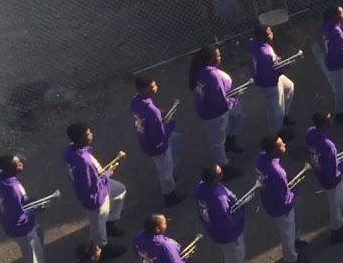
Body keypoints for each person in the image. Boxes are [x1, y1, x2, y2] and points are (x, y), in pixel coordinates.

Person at [63, 123, 127, 258]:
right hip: (95, 197)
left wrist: (103, 175)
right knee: (97, 228)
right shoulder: (83, 161)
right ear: (80, 140)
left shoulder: (71, 150)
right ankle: (102, 250)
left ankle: (110, 222)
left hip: (99, 185)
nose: (91, 134)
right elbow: (91, 186)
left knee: (120, 191)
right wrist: (107, 174)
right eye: (88, 134)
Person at [188, 45, 244, 180]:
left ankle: (231, 141)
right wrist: (233, 99)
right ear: (210, 59)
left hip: (210, 107)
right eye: (218, 55)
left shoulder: (200, 71)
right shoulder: (213, 77)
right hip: (215, 114)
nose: (220, 57)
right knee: (217, 142)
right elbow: (221, 103)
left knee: (238, 114)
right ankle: (224, 168)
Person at [130, 75, 184, 207]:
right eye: (152, 87)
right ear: (143, 90)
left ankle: (171, 171)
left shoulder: (136, 101)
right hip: (158, 146)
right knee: (165, 173)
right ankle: (170, 196)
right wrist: (170, 123)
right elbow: (160, 136)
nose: (156, 88)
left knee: (176, 140)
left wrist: (160, 113)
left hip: (145, 140)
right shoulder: (151, 111)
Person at [305, 113, 343, 243]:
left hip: (324, 170)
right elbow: (332, 172)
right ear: (323, 124)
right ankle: (337, 232)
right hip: (331, 180)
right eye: (328, 120)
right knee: (335, 205)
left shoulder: (310, 132)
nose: (331, 121)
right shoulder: (328, 146)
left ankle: (341, 209)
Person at [256, 136, 306, 262]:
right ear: (273, 151)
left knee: (299, 207)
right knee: (287, 233)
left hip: (270, 197)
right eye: (280, 145)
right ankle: (291, 258)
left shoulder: (261, 157)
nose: (284, 144)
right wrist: (296, 187)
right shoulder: (277, 172)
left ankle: (296, 238)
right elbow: (285, 199)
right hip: (280, 208)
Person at [0, 154, 45, 263]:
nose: (21, 163)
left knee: (37, 242)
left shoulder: (0, 179)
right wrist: (35, 210)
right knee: (34, 257)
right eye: (18, 164)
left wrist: (27, 202)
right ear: (11, 169)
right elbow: (19, 219)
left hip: (12, 222)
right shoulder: (14, 190)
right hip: (23, 229)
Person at [249, 25, 296, 139]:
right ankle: (276, 134)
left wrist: (277, 61)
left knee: (289, 87)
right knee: (276, 108)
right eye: (268, 32)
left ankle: (282, 117)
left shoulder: (254, 43)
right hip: (269, 83)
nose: (272, 34)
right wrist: (286, 65)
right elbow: (272, 72)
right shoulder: (265, 55)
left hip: (266, 77)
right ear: (261, 37)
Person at [192, 165, 246, 263]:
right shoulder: (219, 199)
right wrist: (241, 212)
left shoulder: (202, 188)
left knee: (229, 255)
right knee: (237, 257)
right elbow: (227, 222)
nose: (223, 174)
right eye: (220, 173)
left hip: (216, 231)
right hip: (229, 234)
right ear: (214, 180)